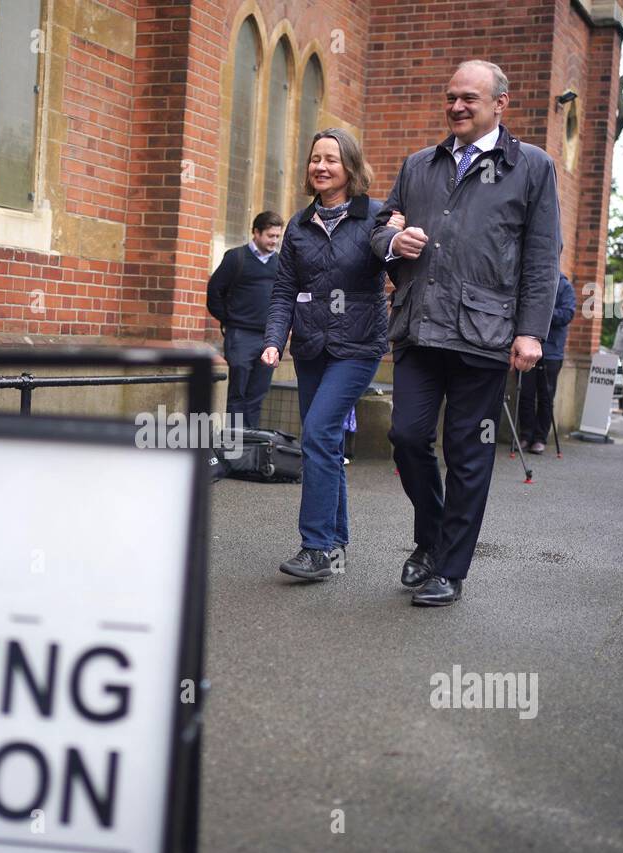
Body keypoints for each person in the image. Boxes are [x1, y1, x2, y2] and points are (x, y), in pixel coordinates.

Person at [370, 60, 561, 607]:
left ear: (501, 103)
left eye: (469, 99)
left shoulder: (531, 167)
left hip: (485, 333)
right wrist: (391, 242)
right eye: (451, 97)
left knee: (467, 452)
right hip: (417, 326)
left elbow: (543, 257)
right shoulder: (418, 165)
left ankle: (449, 569)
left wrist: (531, 332)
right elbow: (381, 226)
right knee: (406, 437)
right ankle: (430, 539)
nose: (456, 106)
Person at [260, 128, 388, 581]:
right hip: (312, 346)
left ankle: (314, 548)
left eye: (331, 159)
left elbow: (398, 263)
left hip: (358, 345)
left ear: (350, 167)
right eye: (315, 159)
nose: (321, 166)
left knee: (316, 432)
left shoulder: (376, 216)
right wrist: (275, 339)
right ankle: (336, 545)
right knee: (326, 444)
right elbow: (283, 290)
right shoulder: (298, 224)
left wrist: (401, 236)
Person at [207, 211, 284, 428]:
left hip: (269, 339)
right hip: (240, 336)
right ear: (256, 233)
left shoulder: (280, 263)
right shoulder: (236, 258)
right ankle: (235, 446)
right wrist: (230, 319)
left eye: (277, 237)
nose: (274, 241)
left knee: (257, 395)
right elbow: (214, 292)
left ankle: (251, 449)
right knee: (238, 393)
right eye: (270, 236)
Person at [518, 272, 575, 454]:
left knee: (545, 396)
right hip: (528, 348)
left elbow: (567, 314)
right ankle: (525, 435)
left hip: (551, 351)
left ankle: (540, 438)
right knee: (525, 394)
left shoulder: (564, 286)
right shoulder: (533, 280)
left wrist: (542, 311)